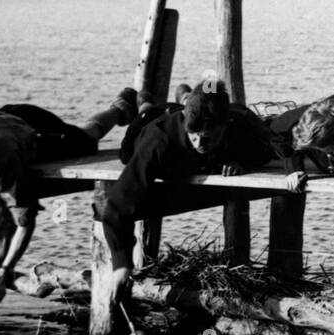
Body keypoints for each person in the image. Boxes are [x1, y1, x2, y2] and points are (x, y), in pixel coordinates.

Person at [0, 88, 137, 316]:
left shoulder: (2, 152)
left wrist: (5, 269)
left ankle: (120, 109)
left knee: (88, 139)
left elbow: (25, 222)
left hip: (31, 126)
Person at [97, 81, 276, 287]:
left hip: (185, 111)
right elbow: (116, 206)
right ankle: (146, 102)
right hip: (150, 122)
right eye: (194, 137)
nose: (199, 144)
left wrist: (241, 161)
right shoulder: (158, 141)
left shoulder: (237, 122)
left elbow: (266, 150)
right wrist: (121, 265)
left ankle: (186, 96)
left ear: (224, 127)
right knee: (137, 133)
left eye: (207, 139)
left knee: (212, 95)